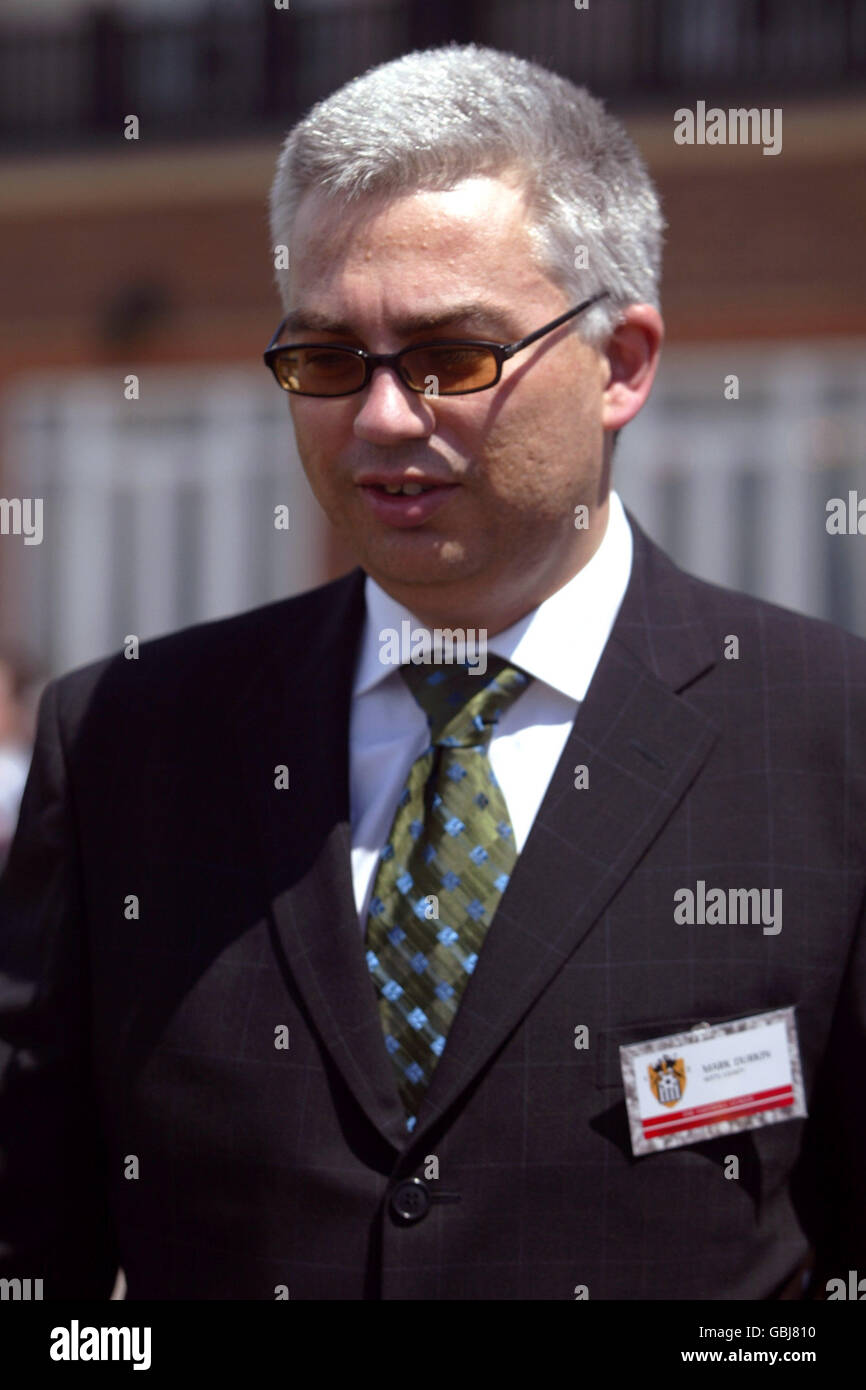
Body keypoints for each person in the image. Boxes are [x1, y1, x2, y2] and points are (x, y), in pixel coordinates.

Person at [0, 44, 863, 1302]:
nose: (383, 419)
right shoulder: (130, 741)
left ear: (620, 363)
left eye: (453, 359)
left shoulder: (828, 740)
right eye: (327, 360)